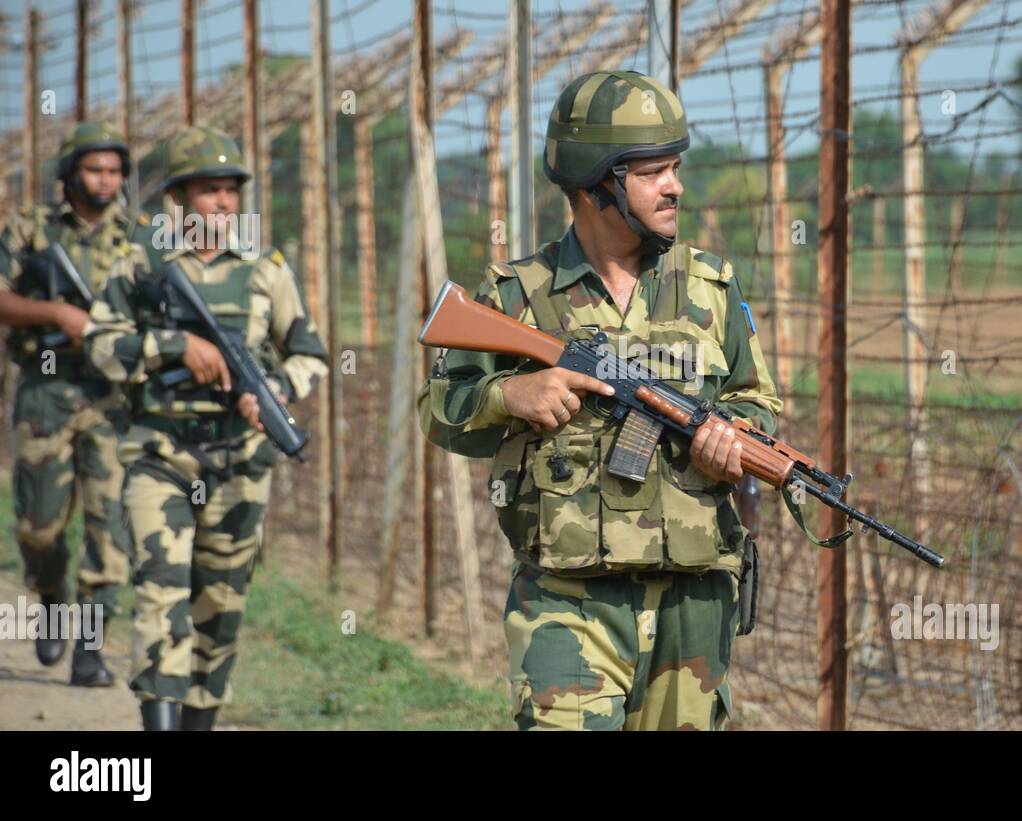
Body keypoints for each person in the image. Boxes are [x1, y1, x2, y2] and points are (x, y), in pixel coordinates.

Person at [418, 69, 782, 730]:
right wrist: (510, 393)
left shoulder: (710, 289)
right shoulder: (521, 295)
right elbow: (440, 412)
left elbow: (758, 403)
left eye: (676, 167)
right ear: (596, 186)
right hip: (568, 601)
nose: (675, 185)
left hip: (692, 605)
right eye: (652, 173)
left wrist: (737, 438)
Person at [84, 125, 328, 731]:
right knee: (161, 597)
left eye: (229, 190)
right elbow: (99, 347)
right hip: (161, 455)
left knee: (219, 611)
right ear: (178, 198)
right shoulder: (141, 265)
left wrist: (278, 390)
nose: (221, 203)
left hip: (240, 463)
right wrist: (173, 346)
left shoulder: (266, 269)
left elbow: (310, 353)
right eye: (207, 190)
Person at [0, 121, 148, 686]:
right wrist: (57, 316)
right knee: (39, 527)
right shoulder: (32, 229)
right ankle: (49, 594)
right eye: (94, 169)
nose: (105, 180)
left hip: (113, 397)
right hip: (46, 390)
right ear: (69, 174)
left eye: (114, 171)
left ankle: (90, 650)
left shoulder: (140, 235)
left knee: (108, 526)